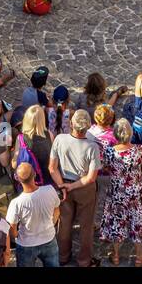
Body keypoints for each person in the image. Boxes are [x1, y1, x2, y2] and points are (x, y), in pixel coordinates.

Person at [98, 118, 142, 266]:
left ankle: (115, 256)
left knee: (117, 223)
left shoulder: (109, 152)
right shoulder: (139, 150)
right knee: (137, 223)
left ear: (116, 134)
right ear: (130, 133)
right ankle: (139, 257)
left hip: (117, 193)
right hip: (137, 194)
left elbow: (104, 168)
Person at [49, 109, 100, 268]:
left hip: (63, 185)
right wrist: (72, 185)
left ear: (71, 124)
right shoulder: (92, 146)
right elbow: (91, 177)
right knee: (86, 225)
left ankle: (63, 256)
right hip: (84, 188)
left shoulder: (59, 139)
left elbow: (52, 167)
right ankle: (84, 260)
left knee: (64, 223)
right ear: (88, 126)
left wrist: (62, 185)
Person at [5, 161, 61, 267]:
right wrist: (51, 224)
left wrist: (17, 237)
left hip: (26, 244)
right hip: (49, 238)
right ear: (35, 174)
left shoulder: (16, 203)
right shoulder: (50, 190)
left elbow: (12, 229)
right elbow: (57, 210)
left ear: (17, 179)